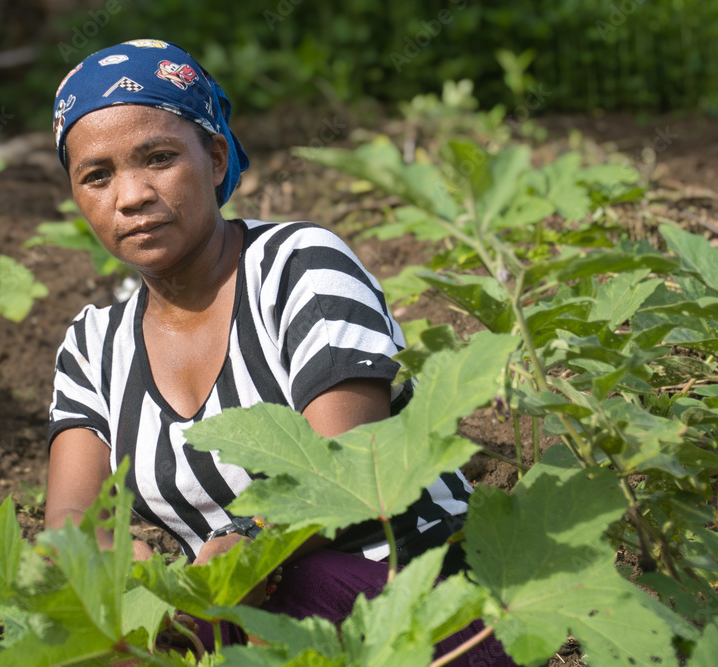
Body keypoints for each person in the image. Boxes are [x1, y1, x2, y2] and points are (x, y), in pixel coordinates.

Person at [45, 39, 514, 665]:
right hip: (235, 615)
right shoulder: (93, 344)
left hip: (427, 607)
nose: (130, 195)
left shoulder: (297, 267)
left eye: (158, 158)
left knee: (281, 585)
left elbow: (348, 464)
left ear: (214, 158)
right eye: (97, 176)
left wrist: (248, 540)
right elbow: (73, 519)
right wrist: (115, 571)